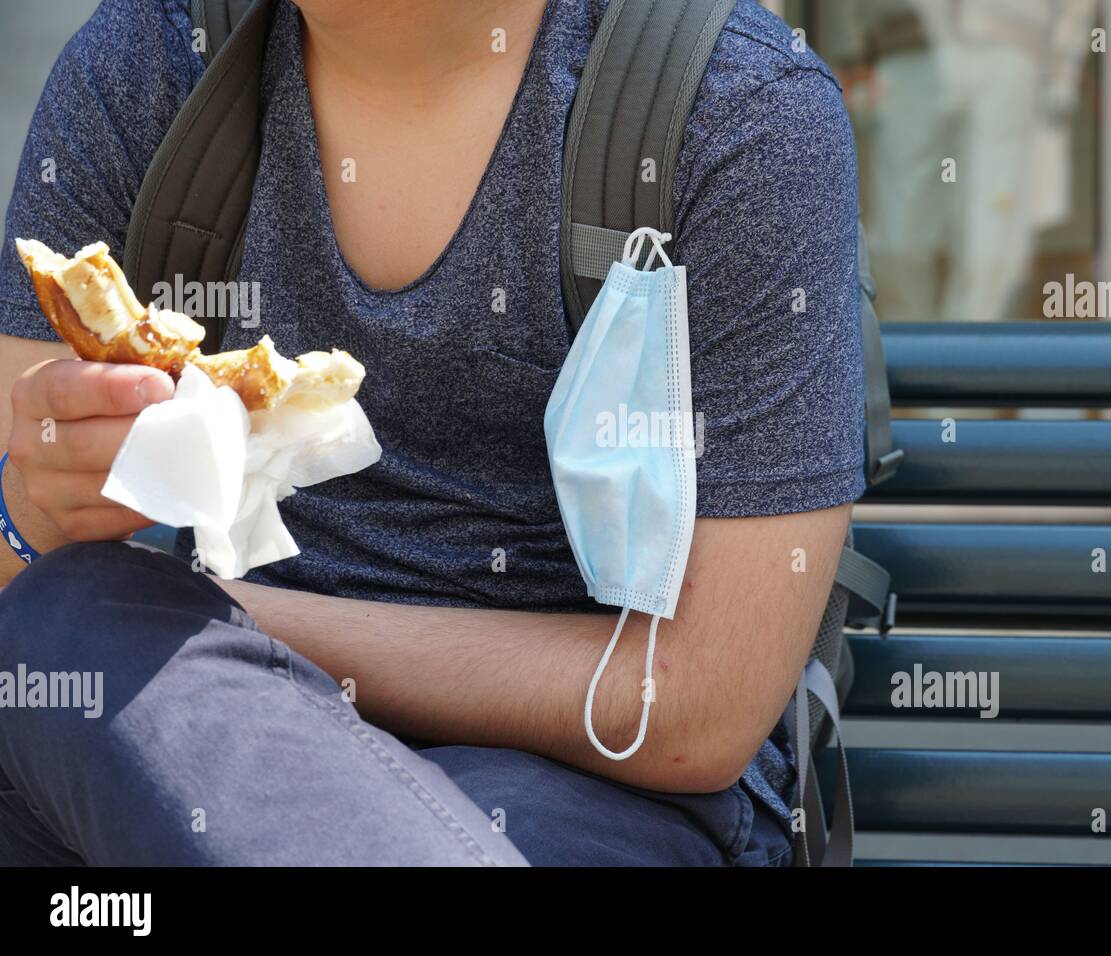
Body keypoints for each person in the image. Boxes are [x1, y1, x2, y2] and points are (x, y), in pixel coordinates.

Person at [0, 0, 865, 866]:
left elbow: (693, 709)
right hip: (188, 732)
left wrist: (221, 628)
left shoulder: (733, 105)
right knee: (63, 616)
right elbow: (19, 564)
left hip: (578, 791)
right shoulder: (149, 61)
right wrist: (38, 514)